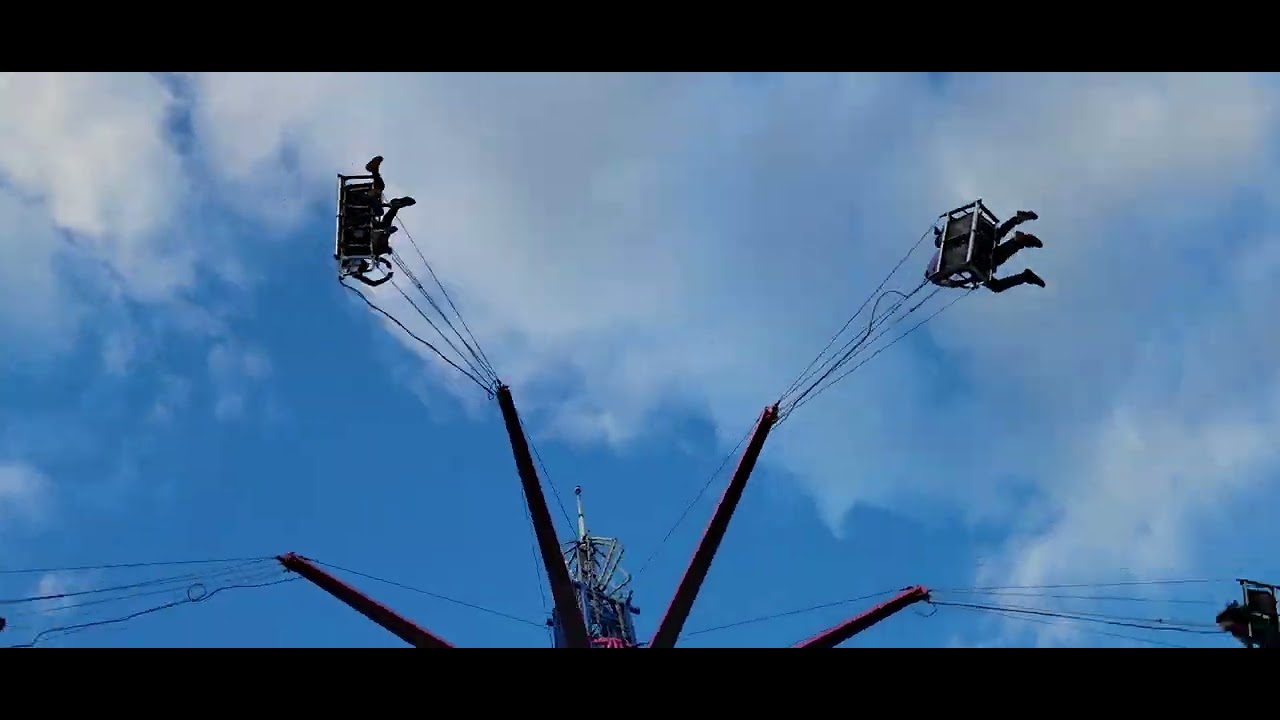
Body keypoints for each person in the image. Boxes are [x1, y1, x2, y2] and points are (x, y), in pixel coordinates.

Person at [927, 209, 1046, 293]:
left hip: (972, 256)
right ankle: (1018, 226)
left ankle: (1024, 271)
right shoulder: (939, 254)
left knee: (996, 285)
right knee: (994, 239)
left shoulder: (935, 276)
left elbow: (953, 283)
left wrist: (969, 283)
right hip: (974, 241)